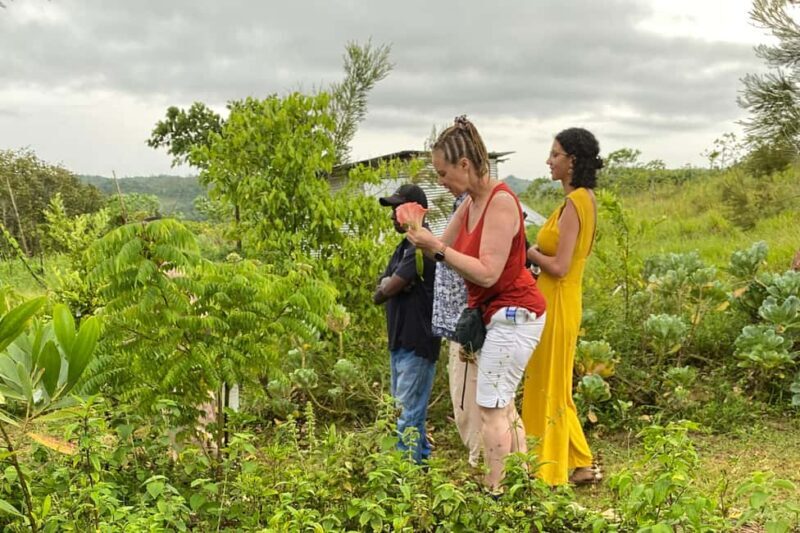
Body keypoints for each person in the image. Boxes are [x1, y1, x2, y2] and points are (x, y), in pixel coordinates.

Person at [407, 116, 546, 491]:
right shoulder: (469, 202)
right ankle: (523, 487)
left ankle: (496, 491)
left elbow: (486, 272)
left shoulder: (500, 203)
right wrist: (416, 231)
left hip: (514, 313)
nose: (440, 181)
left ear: (465, 165)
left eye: (442, 172)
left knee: (490, 410)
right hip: (495, 315)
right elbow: (442, 251)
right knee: (502, 406)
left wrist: (436, 246)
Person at [521, 127, 602, 486]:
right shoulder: (584, 199)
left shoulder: (574, 204)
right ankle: (581, 461)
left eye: (555, 154)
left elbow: (560, 266)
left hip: (557, 299)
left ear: (572, 161)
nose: (549, 161)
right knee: (553, 384)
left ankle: (549, 469)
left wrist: (530, 252)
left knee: (547, 384)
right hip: (562, 299)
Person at [373, 183, 442, 464]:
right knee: (409, 412)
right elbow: (383, 284)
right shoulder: (405, 248)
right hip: (400, 340)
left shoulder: (421, 248)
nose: (392, 216)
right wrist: (388, 285)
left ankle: (406, 478)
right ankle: (422, 466)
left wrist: (388, 286)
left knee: (406, 416)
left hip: (417, 341)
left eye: (397, 209)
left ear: (417, 211)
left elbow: (383, 292)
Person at [431, 191, 483, 467]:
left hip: (472, 323)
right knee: (462, 401)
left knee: (476, 400)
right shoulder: (461, 209)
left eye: (445, 171)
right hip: (458, 324)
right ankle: (481, 459)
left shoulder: (484, 211)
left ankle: (484, 463)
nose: (441, 181)